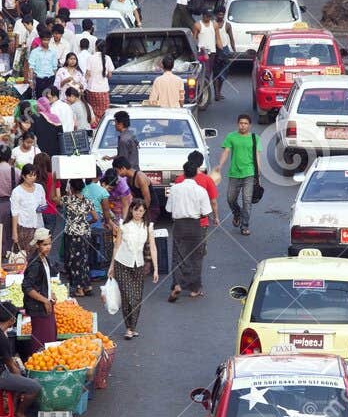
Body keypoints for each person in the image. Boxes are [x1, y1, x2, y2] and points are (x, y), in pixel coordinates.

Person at [0, 303, 42, 417]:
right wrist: (23, 377)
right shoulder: (0, 337)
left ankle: (11, 408)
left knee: (20, 380)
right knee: (35, 386)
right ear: (12, 320)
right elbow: (11, 366)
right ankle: (19, 414)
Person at [108, 198, 157, 341]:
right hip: (122, 264)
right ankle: (129, 329)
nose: (138, 213)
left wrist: (156, 268)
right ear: (131, 210)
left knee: (137, 298)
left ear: (144, 212)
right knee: (128, 296)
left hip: (138, 265)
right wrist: (112, 266)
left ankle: (132, 327)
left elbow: (153, 247)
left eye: (141, 211)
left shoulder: (148, 227)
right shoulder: (123, 225)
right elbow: (117, 246)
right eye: (136, 210)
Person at [165, 158, 211, 302]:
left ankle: (177, 284)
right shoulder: (201, 191)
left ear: (184, 173)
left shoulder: (174, 189)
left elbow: (169, 209)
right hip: (195, 226)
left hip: (179, 225)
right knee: (195, 257)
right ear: (196, 173)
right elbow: (206, 212)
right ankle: (194, 289)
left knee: (178, 256)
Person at [212, 113, 259, 236]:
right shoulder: (231, 136)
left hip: (249, 173)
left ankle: (245, 226)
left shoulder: (255, 138)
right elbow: (226, 151)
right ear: (238, 124)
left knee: (247, 201)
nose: (243, 125)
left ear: (250, 125)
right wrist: (220, 165)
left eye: (246, 123)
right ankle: (237, 212)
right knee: (230, 199)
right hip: (234, 174)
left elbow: (257, 156)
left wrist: (258, 174)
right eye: (241, 123)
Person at [59, 178, 97, 294]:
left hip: (72, 234)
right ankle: (87, 285)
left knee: (74, 261)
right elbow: (95, 218)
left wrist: (55, 182)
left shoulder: (68, 200)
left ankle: (79, 288)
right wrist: (86, 223)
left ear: (71, 188)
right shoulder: (88, 201)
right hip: (85, 233)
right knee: (84, 259)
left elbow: (53, 198)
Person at [22, 228, 57, 347]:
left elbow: (42, 280)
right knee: (42, 339)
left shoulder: (44, 258)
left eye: (49, 244)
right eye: (45, 245)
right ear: (37, 245)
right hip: (38, 307)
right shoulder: (35, 264)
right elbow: (27, 287)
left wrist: (50, 292)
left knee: (49, 337)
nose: (48, 247)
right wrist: (45, 301)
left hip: (44, 303)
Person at [10, 164, 46, 254]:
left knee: (39, 252)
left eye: (34, 175)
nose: (33, 178)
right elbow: (14, 213)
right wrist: (14, 232)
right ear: (23, 176)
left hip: (38, 225)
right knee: (25, 254)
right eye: (30, 175)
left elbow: (44, 204)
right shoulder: (17, 191)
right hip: (24, 226)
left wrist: (41, 208)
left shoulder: (39, 188)